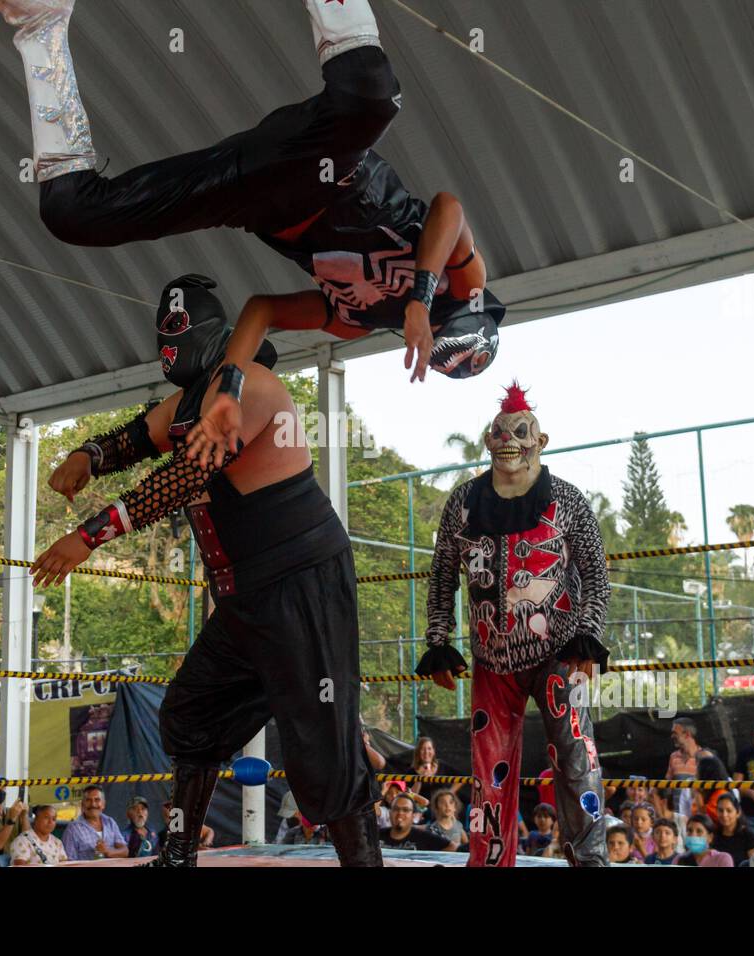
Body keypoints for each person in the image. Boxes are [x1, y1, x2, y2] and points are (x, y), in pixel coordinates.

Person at [0, 0, 503, 429]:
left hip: (249, 196)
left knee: (74, 214)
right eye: (435, 326)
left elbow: (263, 310)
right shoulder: (464, 280)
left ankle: (41, 25)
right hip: (324, 169)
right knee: (373, 97)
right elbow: (448, 209)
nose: (422, 331)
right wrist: (422, 296)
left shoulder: (353, 323)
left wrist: (230, 385)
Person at [33, 276, 380, 867]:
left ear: (213, 335)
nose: (169, 344)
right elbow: (139, 436)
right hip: (245, 602)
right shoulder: (191, 399)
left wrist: (89, 536)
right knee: (190, 714)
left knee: (323, 751)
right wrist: (87, 455)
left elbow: (186, 475)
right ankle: (178, 851)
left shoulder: (255, 387)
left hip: (302, 587)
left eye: (178, 330)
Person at [420, 383, 611, 868]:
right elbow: (443, 575)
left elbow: (596, 574)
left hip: (560, 653)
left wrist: (589, 633)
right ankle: (488, 862)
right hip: (492, 660)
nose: (511, 441)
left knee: (576, 758)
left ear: (540, 441)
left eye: (522, 432)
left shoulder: (567, 501)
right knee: (490, 771)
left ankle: (589, 861)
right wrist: (437, 642)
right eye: (502, 432)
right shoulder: (461, 505)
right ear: (488, 440)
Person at [62, 785, 128, 861]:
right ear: (82, 805)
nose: (93, 804)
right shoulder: (73, 829)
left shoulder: (110, 822)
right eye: (88, 800)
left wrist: (107, 851)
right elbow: (69, 861)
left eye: (97, 800)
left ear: (103, 804)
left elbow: (125, 851)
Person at [379, 794, 457, 852]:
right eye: (396, 809)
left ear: (413, 816)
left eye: (405, 810)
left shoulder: (424, 837)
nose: (400, 813)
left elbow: (452, 847)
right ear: (389, 813)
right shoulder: (375, 835)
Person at [711, 793, 754, 866]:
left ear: (738, 812)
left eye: (729, 810)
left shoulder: (748, 836)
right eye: (720, 810)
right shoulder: (713, 835)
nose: (724, 815)